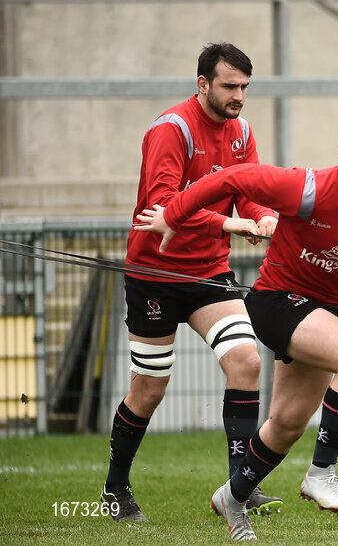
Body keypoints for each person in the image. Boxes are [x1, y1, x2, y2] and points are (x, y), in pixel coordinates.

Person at [134, 113, 338, 541]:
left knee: (287, 424)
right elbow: (230, 179)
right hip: (276, 302)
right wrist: (174, 215)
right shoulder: (305, 188)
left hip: (323, 312)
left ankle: (233, 496)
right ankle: (321, 472)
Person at [102, 43, 283, 523]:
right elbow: (163, 206)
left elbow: (252, 194)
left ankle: (238, 487)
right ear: (202, 84)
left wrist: (265, 220)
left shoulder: (241, 131)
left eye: (245, 86)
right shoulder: (172, 129)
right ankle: (115, 487)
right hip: (155, 275)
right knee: (150, 388)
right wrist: (231, 225)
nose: (239, 96)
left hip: (209, 274)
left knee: (245, 362)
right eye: (230, 86)